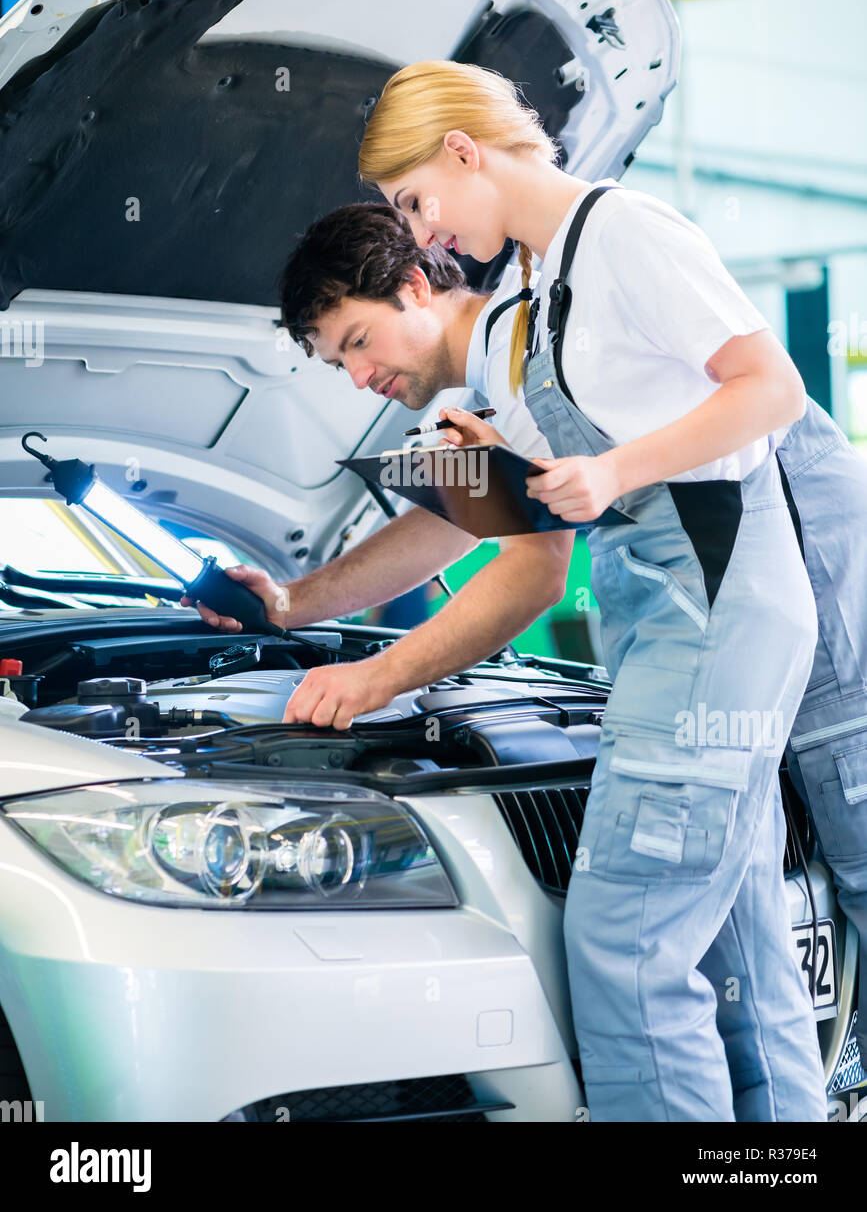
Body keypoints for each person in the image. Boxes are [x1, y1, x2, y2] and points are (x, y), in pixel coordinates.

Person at [352, 59, 830, 1122]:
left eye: (416, 201)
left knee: (626, 935)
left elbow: (771, 385)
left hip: (717, 619)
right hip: (669, 630)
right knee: (739, 942)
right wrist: (298, 599)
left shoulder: (626, 235)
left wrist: (615, 470)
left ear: (465, 151)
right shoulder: (532, 289)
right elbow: (515, 505)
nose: (423, 233)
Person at [183, 201, 575, 719]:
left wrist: (378, 677)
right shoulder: (486, 388)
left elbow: (537, 571)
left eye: (360, 341)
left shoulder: (527, 357)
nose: (360, 377)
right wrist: (287, 602)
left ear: (415, 286)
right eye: (340, 362)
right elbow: (452, 522)